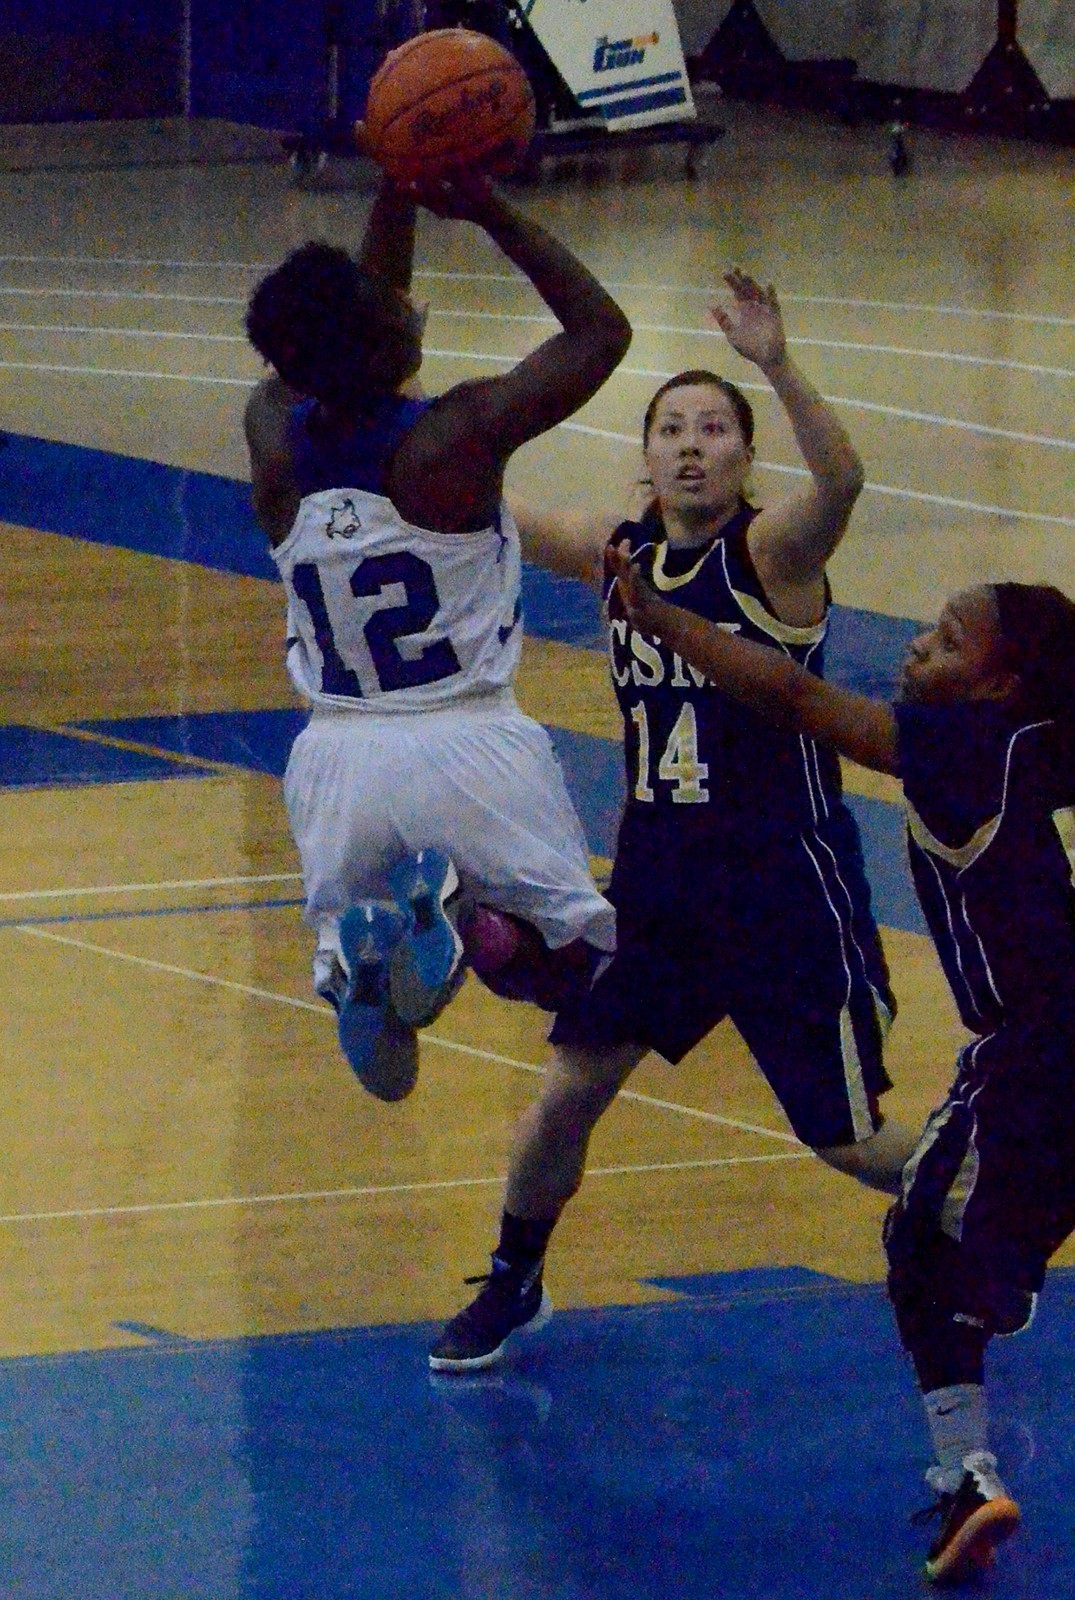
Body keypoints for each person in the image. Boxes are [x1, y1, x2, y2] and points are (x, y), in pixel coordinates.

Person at [431, 272, 918, 1372]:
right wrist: (404, 442)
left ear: (746, 460)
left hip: (781, 878)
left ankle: (1002, 1195)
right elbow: (490, 508)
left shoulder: (772, 556)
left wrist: (776, 365)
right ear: (642, 457)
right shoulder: (619, 550)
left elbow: (842, 477)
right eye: (671, 429)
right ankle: (513, 1277)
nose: (691, 446)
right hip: (656, 878)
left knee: (845, 1138)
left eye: (712, 430)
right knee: (568, 1091)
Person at [605, 545, 1075, 1585]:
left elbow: (792, 693)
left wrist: (663, 623)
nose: (916, 644)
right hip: (1046, 1047)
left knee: (917, 1241)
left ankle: (964, 1471)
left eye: (948, 640)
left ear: (997, 684)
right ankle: (970, 1438)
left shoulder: (958, 745)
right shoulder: (1037, 737)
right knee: (940, 1239)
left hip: (1036, 1049)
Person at [243, 166, 631, 1100]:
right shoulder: (456, 438)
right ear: (387, 336)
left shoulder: (269, 434)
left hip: (336, 761)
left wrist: (396, 192)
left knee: (385, 1077)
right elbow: (601, 332)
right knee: (578, 974)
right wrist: (485, 204)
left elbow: (341, 339)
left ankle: (402, 967)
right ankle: (475, 924)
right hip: (466, 742)